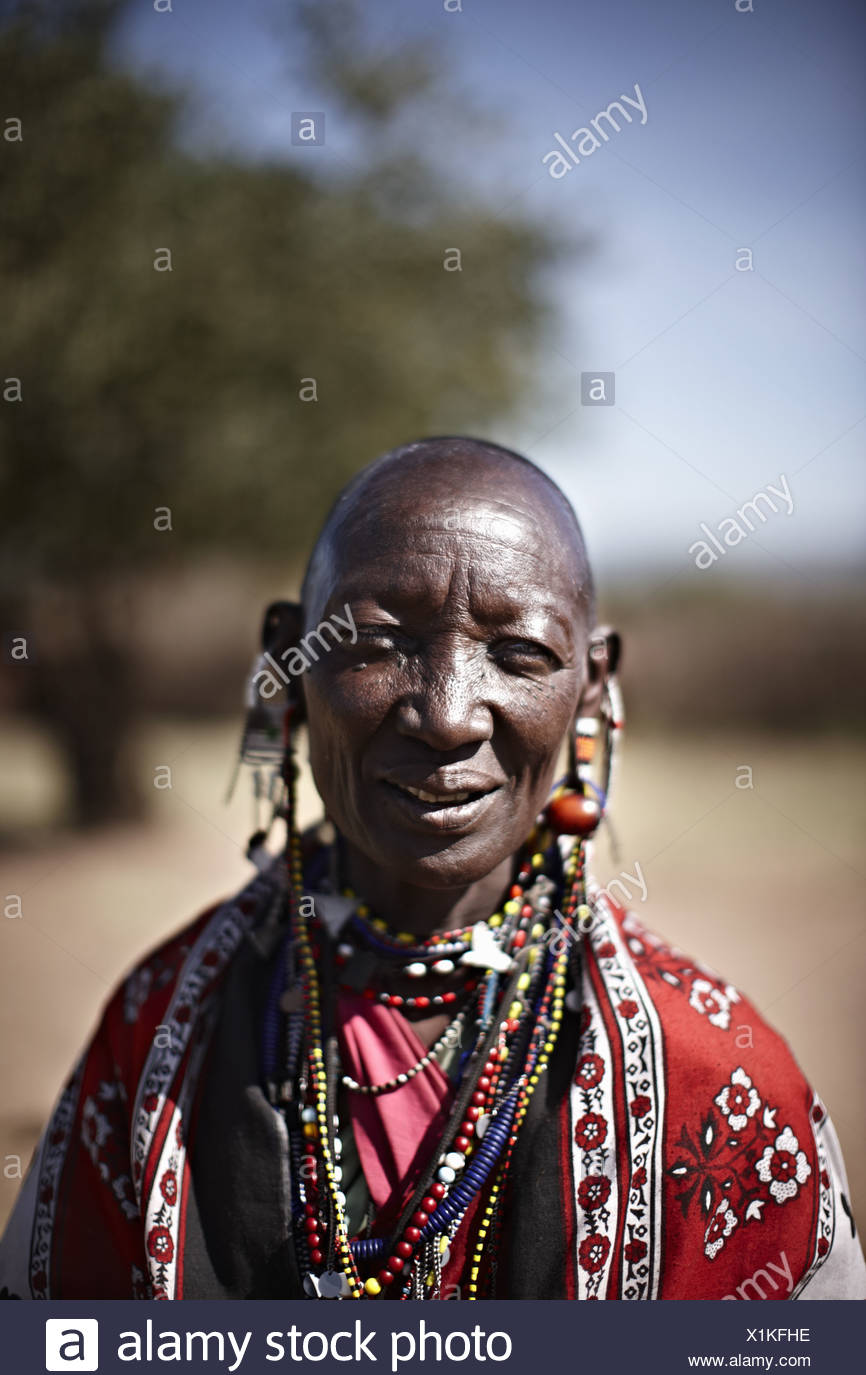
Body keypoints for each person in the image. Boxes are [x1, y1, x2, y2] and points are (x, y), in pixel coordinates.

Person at [1, 436, 863, 1301]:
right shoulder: (156, 1036)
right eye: (376, 642)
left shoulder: (712, 1077)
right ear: (288, 661)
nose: (446, 716)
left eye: (521, 652)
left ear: (593, 687)